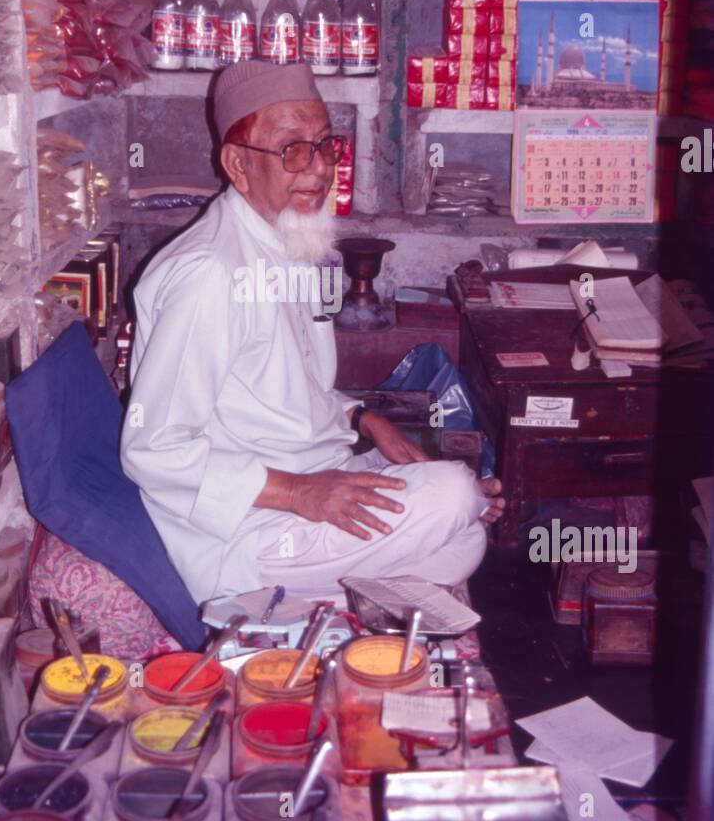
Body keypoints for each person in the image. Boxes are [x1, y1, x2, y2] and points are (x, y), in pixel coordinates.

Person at [121, 59, 504, 607]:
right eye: (292, 149)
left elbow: (286, 388)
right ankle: (282, 593)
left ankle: (340, 588)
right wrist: (300, 493)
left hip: (317, 470)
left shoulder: (289, 241)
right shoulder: (210, 274)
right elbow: (153, 450)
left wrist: (365, 420)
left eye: (325, 145)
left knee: (467, 521)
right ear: (237, 164)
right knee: (453, 499)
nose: (319, 169)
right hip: (242, 529)